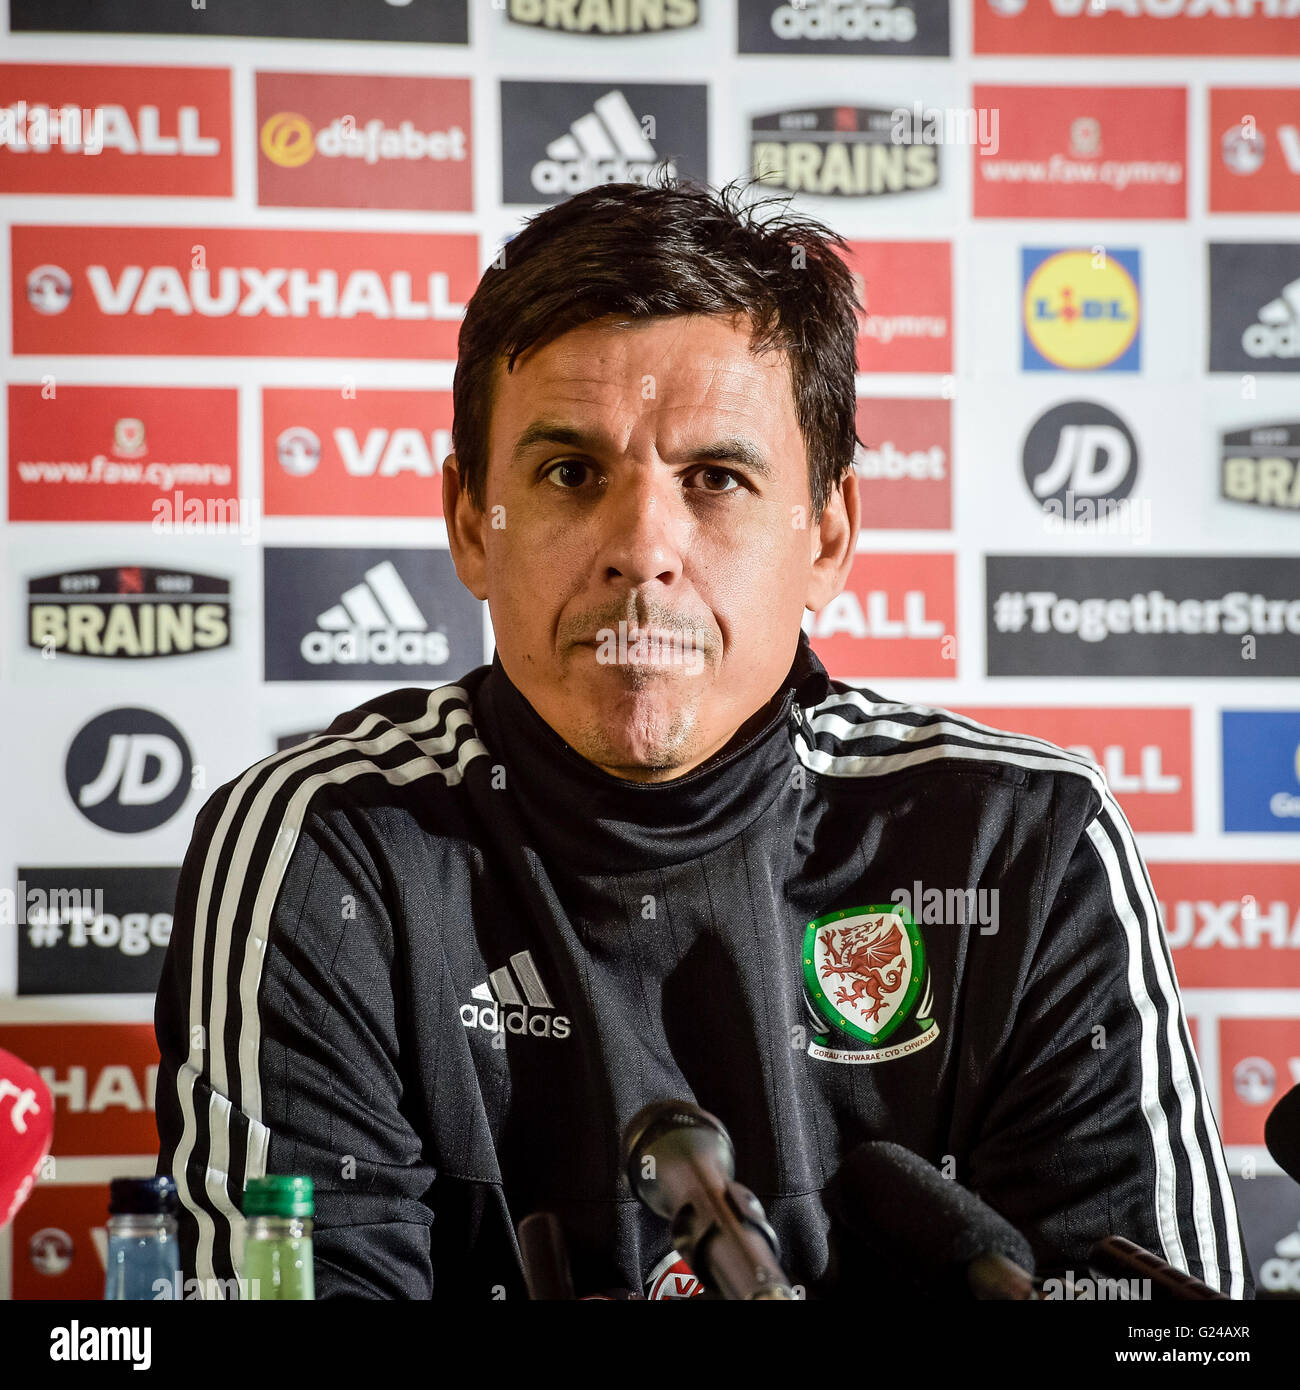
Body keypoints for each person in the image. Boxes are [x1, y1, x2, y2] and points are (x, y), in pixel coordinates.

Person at [154, 176, 1251, 1300]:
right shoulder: (320, 850)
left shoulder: (1022, 843)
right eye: (570, 472)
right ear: (466, 523)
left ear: (827, 536)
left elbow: (1154, 1320)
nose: (643, 546)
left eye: (715, 478)